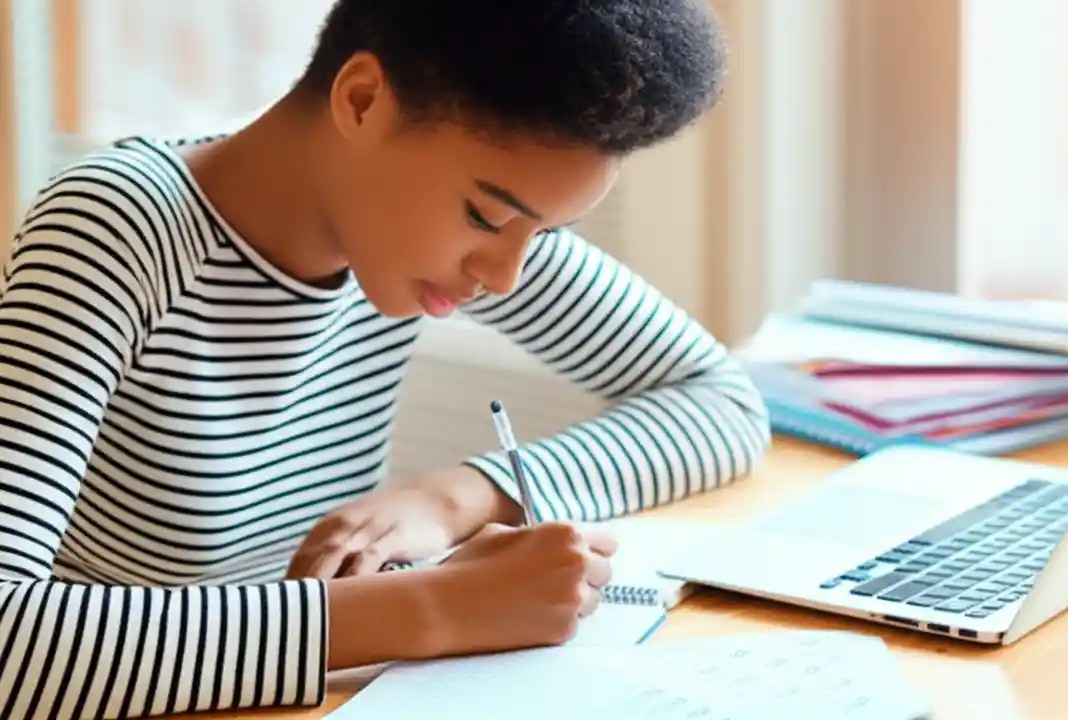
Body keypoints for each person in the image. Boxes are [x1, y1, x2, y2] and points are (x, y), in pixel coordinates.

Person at [0, 1, 770, 717]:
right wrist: (439, 608)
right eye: (488, 217)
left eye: (539, 234)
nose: (502, 276)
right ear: (363, 100)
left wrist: (458, 496)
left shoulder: (419, 237)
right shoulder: (117, 228)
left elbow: (720, 403)